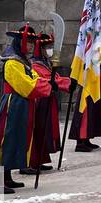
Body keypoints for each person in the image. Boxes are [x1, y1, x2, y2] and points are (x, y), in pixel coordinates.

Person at [0, 24, 52, 190]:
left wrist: (50, 83)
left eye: (32, 43)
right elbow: (25, 86)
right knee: (5, 139)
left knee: (14, 140)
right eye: (28, 42)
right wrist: (48, 87)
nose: (30, 46)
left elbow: (35, 78)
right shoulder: (12, 63)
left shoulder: (24, 61)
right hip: (13, 103)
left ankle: (6, 176)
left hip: (22, 104)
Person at [27, 31, 70, 174]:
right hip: (39, 101)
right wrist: (67, 83)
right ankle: (30, 162)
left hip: (47, 100)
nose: (50, 50)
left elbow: (55, 77)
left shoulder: (45, 63)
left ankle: (39, 160)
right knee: (37, 131)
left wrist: (67, 82)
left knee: (43, 132)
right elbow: (50, 79)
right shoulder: (36, 65)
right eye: (47, 47)